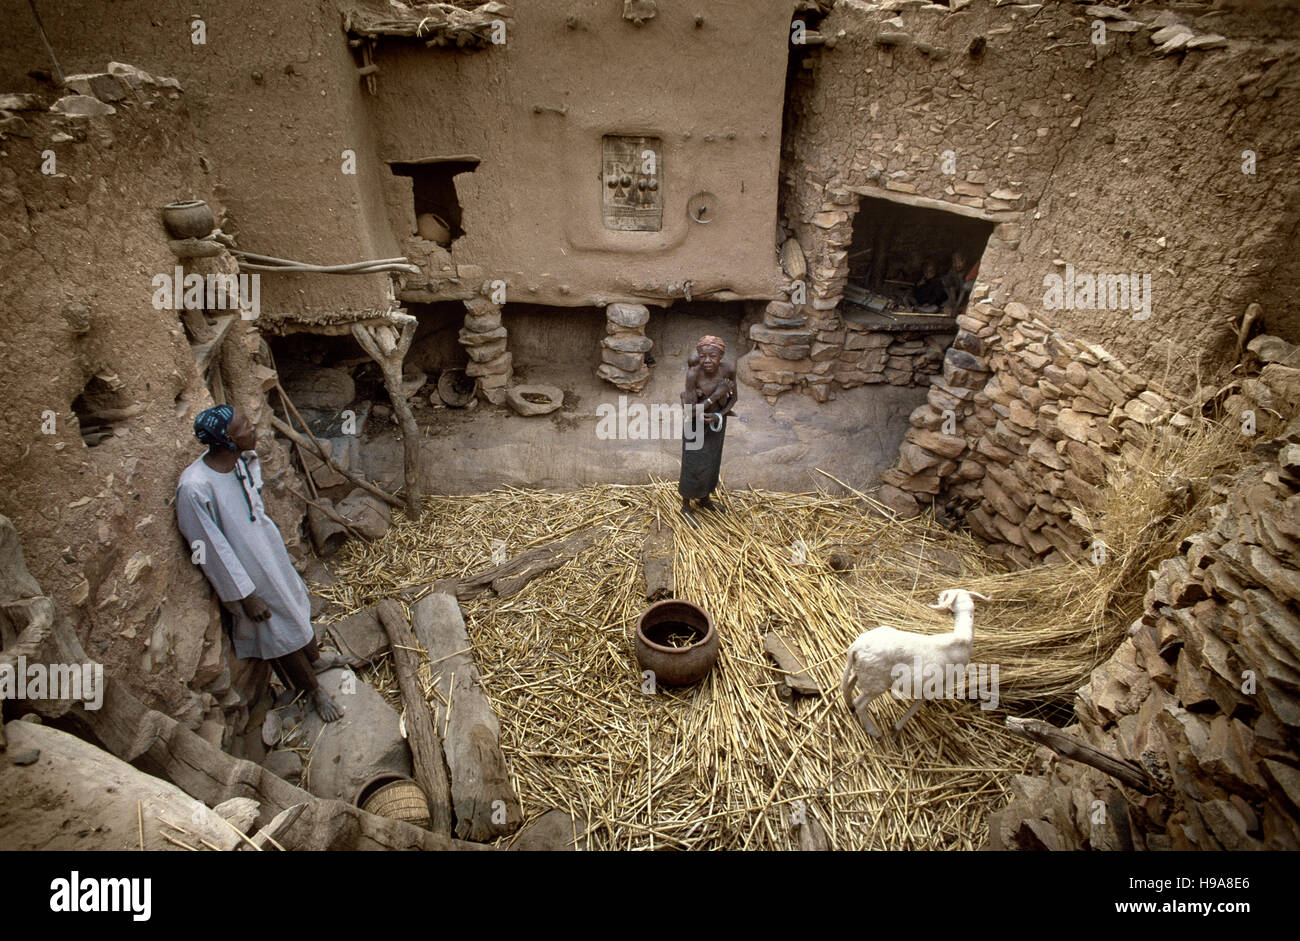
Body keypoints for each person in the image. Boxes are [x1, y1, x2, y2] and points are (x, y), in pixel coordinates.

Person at [176, 404, 344, 722]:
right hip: (246, 572)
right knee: (274, 627)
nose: (252, 427)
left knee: (293, 604)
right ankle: (312, 690)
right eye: (243, 426)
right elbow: (209, 548)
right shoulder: (196, 488)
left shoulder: (239, 460)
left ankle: (317, 660)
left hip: (267, 552)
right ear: (226, 439)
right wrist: (245, 594)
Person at [679, 336, 737, 522]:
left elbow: (734, 398)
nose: (707, 360)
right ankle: (686, 505)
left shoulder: (728, 369)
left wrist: (719, 414)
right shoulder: (693, 374)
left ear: (721, 356)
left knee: (711, 461)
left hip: (716, 422)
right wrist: (715, 396)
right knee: (693, 463)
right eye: (703, 356)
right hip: (695, 423)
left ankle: (704, 498)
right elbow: (689, 410)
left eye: (712, 356)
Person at [943, 251, 979, 315]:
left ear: (964, 261)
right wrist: (952, 300)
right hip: (955, 297)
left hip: (966, 298)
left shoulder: (968, 271)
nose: (957, 264)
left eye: (960, 261)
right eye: (954, 262)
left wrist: (957, 305)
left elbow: (964, 289)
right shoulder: (952, 272)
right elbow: (948, 284)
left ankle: (957, 307)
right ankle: (954, 307)